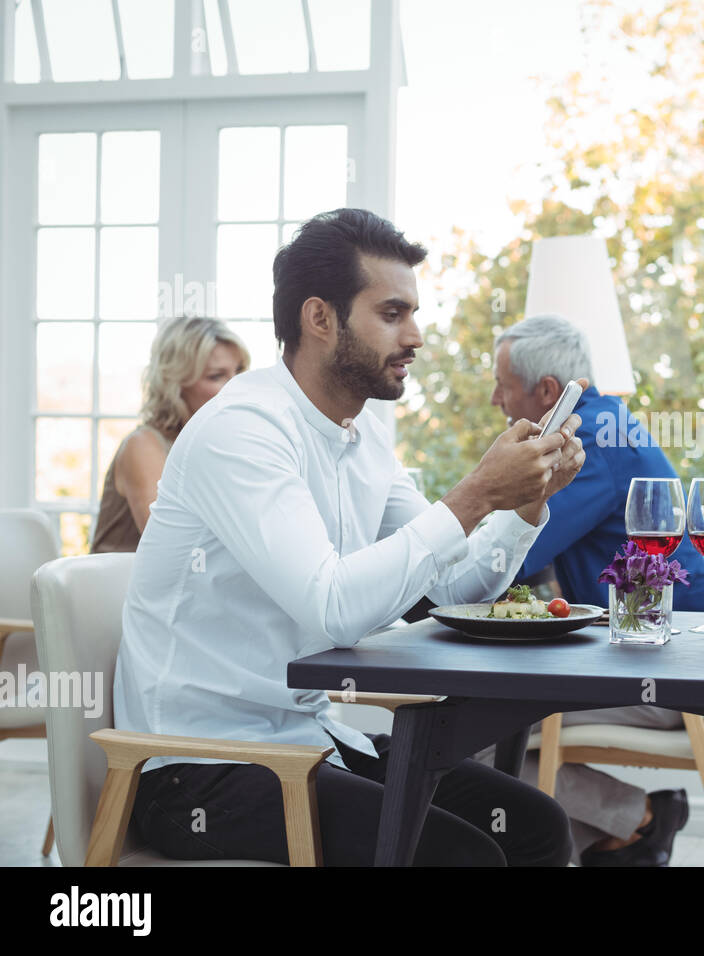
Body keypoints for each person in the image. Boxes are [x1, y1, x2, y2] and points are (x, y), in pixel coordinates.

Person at [114, 208, 582, 866]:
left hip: (307, 738)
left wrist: (525, 503)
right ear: (320, 319)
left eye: (414, 314)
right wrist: (474, 492)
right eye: (393, 313)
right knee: (460, 856)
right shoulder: (243, 431)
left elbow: (450, 587)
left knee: (532, 825)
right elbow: (331, 606)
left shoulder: (360, 441)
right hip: (200, 768)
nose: (416, 336)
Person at [479, 314, 704, 866]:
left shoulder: (586, 447)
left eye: (503, 385)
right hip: (657, 653)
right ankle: (621, 838)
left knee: (472, 734)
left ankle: (638, 819)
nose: (495, 400)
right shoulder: (608, 424)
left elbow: (511, 557)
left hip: (667, 672)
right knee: (478, 724)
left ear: (548, 392)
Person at [90, 317, 248, 553]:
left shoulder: (219, 446)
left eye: (239, 371)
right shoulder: (143, 446)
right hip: (115, 587)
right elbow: (173, 548)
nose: (236, 386)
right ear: (175, 384)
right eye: (216, 376)